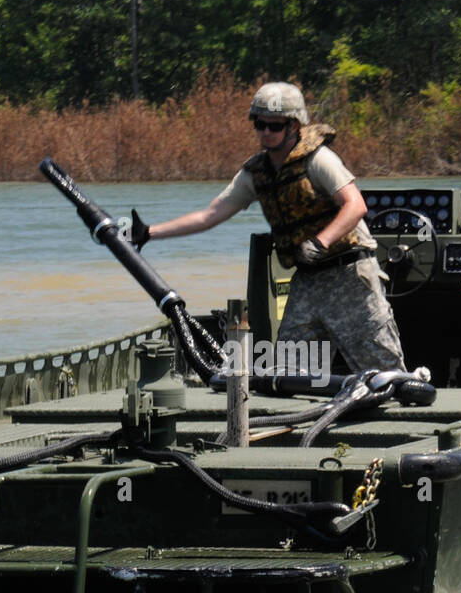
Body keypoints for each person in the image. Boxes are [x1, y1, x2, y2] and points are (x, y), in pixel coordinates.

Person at [130, 82, 405, 374]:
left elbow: (355, 205)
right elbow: (209, 215)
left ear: (294, 125)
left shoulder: (318, 159)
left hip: (350, 276)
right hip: (308, 281)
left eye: (274, 125)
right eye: (259, 124)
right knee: (290, 373)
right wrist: (149, 232)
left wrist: (319, 242)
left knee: (384, 369)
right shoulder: (255, 174)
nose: (265, 132)